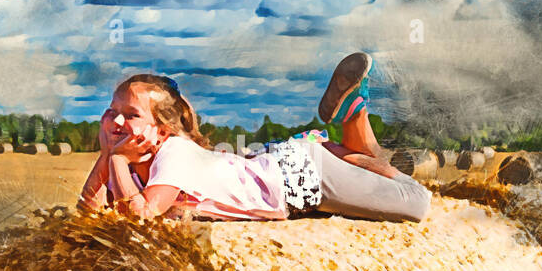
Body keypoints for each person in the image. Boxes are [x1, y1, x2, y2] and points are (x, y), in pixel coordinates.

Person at [77, 55, 431, 224]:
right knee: (365, 160)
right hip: (272, 162)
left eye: (131, 114)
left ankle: (351, 139)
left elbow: (138, 219)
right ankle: (353, 115)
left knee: (416, 203)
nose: (115, 120)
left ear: (163, 130)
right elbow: (88, 217)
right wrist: (108, 156)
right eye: (111, 111)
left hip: (300, 178)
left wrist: (116, 160)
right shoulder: (138, 163)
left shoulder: (174, 155)